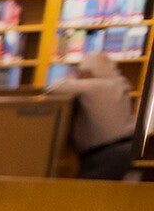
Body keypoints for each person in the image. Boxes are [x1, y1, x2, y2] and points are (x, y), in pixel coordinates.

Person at [49, 51, 137, 180]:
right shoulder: (118, 83)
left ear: (88, 72)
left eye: (81, 72)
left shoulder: (95, 87)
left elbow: (54, 87)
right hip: (123, 148)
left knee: (86, 195)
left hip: (105, 154)